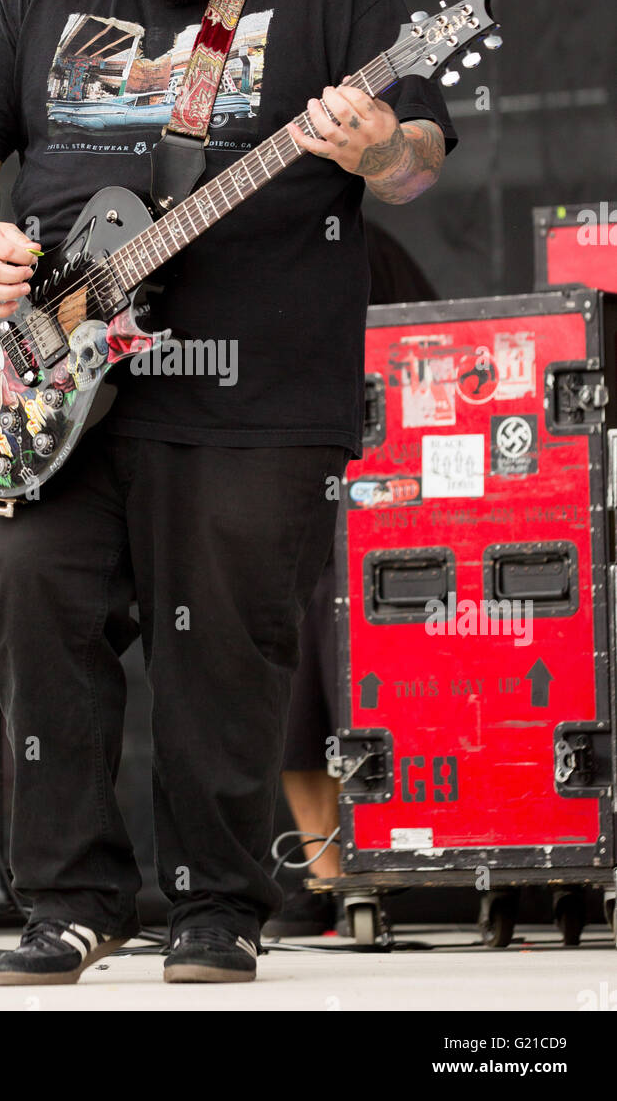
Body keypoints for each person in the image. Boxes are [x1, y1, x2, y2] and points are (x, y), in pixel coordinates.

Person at [0, 0, 457, 985]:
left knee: (225, 651)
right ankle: (70, 899)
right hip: (58, 386)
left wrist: (379, 147)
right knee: (31, 602)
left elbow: (422, 159)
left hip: (254, 398)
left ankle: (218, 903)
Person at [269, 222, 439, 937]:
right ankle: (324, 879)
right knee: (292, 693)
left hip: (382, 496)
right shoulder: (242, 256)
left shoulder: (370, 250)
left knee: (372, 685)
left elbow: (438, 352)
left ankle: (390, 865)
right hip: (282, 493)